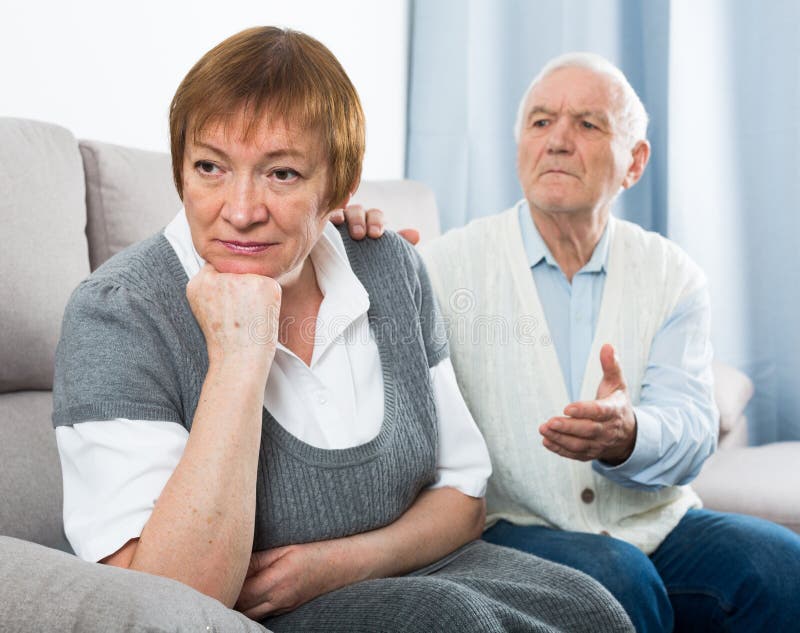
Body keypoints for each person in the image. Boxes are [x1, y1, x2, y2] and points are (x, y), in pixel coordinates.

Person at [51, 29, 634, 632]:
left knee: (595, 608)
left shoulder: (388, 264)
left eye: (281, 174)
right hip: (244, 619)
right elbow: (171, 603)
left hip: (418, 573)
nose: (242, 209)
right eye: (210, 167)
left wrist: (334, 564)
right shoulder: (118, 313)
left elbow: (462, 502)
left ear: (339, 185)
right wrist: (238, 358)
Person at [341, 52, 800, 632]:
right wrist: (347, 257)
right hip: (506, 523)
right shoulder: (443, 265)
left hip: (652, 520)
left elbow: (693, 424)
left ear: (634, 162)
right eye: (540, 121)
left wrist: (627, 435)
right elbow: (363, 369)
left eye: (588, 123)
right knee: (617, 577)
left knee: (780, 566)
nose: (558, 140)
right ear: (519, 150)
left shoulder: (672, 274)